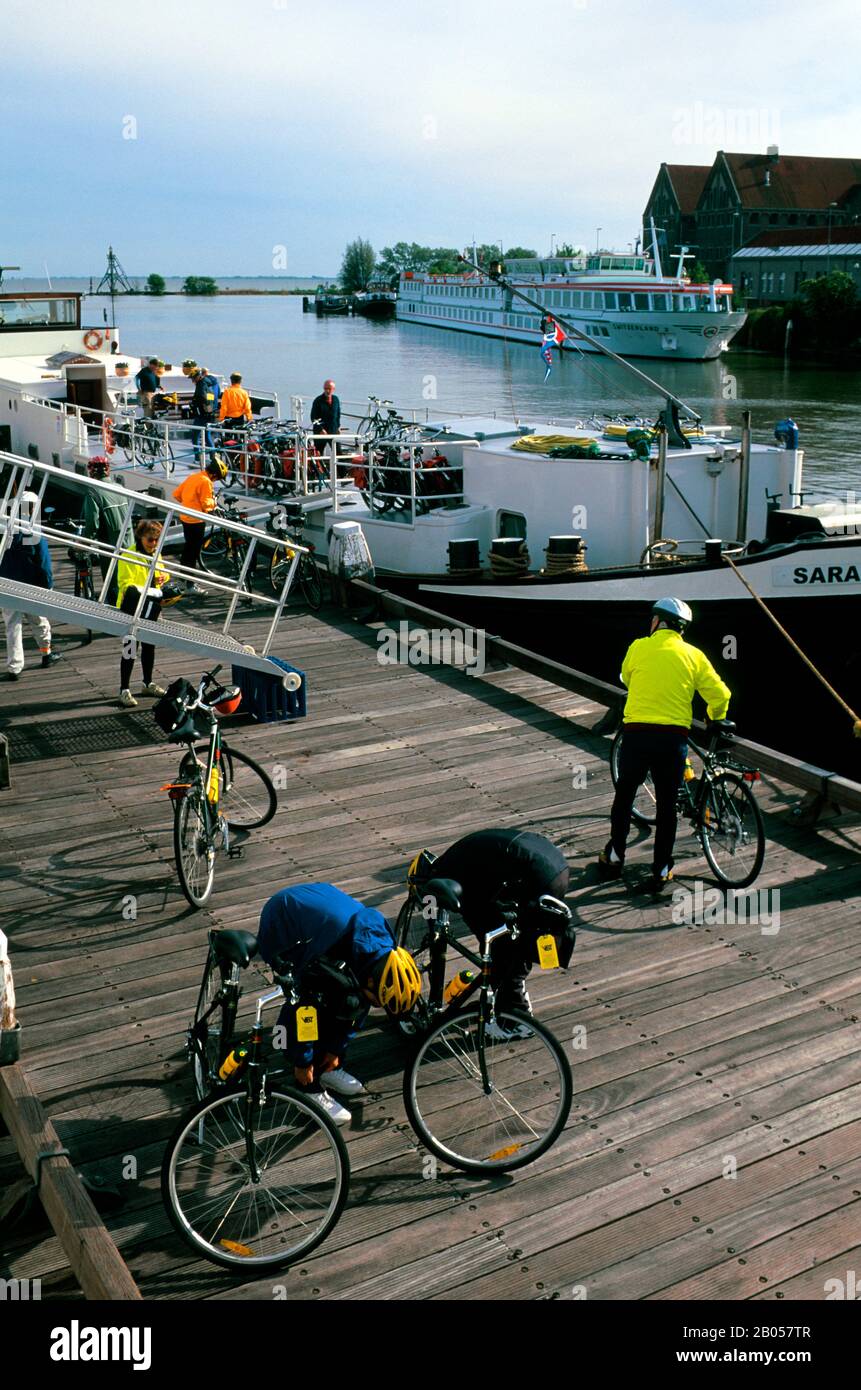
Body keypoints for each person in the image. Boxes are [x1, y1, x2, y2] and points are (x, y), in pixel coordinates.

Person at [257, 883, 422, 1124]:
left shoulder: (382, 952)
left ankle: (328, 1067)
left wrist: (336, 1049)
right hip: (284, 922)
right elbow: (304, 1009)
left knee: (350, 999)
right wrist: (302, 1061)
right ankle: (308, 1087)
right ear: (368, 978)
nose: (377, 1007)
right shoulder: (333, 956)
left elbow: (362, 1004)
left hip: (319, 914)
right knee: (316, 1001)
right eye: (379, 1001)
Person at [598, 597, 731, 893]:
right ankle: (661, 869)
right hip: (673, 740)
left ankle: (615, 856)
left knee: (625, 795)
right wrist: (714, 718)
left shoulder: (638, 646)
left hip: (636, 734)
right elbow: (721, 694)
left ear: (658, 621)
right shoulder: (694, 656)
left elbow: (627, 678)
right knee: (668, 806)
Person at [409, 828, 573, 1035]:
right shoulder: (458, 856)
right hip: (555, 866)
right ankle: (510, 998)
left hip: (534, 875)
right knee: (516, 939)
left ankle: (516, 1021)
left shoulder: (447, 874)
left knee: (498, 945)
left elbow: (467, 910)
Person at [0, 490, 62, 680]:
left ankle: (14, 667)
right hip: (30, 585)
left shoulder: (4, 525)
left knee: (12, 625)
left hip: (7, 582)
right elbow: (43, 561)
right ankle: (46, 653)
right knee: (38, 619)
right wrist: (48, 584)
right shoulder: (33, 528)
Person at [116, 519, 169, 708]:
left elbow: (164, 574)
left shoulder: (156, 553)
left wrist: (163, 578)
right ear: (140, 537)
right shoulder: (128, 555)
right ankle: (124, 689)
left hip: (152, 606)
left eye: (156, 540)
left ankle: (147, 683)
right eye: (150, 540)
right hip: (133, 608)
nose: (153, 544)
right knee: (130, 648)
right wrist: (146, 587)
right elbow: (125, 584)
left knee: (149, 646)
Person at [171, 457, 226, 592]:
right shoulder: (206, 482)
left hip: (185, 518)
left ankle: (183, 578)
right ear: (214, 474)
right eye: (217, 478)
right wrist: (214, 502)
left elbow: (177, 494)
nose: (215, 481)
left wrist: (189, 504)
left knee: (187, 550)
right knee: (193, 552)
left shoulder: (194, 476)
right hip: (196, 521)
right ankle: (190, 585)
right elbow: (207, 505)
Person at [81, 457, 126, 604]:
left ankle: (116, 617)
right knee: (127, 580)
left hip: (110, 544)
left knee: (112, 582)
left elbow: (92, 524)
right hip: (128, 541)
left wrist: (83, 544)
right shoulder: (119, 487)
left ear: (91, 472)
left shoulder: (93, 492)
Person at [190, 365, 220, 458]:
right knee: (207, 436)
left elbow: (203, 398)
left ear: (198, 376)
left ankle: (197, 458)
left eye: (193, 378)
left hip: (202, 415)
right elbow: (211, 397)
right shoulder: (208, 383)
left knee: (195, 436)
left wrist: (194, 403)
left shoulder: (201, 384)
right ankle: (213, 456)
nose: (192, 380)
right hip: (209, 414)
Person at [310, 379, 341, 450]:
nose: (327, 391)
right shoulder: (318, 400)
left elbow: (338, 415)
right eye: (325, 388)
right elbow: (313, 417)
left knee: (338, 452)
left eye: (329, 389)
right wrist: (321, 429)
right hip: (321, 431)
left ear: (333, 389)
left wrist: (338, 426)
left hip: (333, 429)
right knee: (318, 453)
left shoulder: (336, 399)